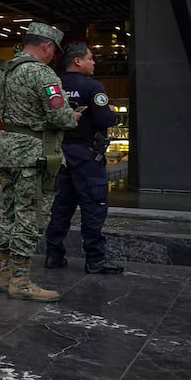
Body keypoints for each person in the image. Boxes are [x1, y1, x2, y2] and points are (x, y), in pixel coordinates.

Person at [0, 22, 80, 302]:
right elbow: (60, 116)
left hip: (7, 148)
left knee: (9, 212)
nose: (53, 56)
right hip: (33, 153)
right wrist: (72, 116)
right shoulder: (42, 73)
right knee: (30, 216)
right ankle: (20, 280)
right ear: (47, 46)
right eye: (53, 51)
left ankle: (3, 274)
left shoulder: (5, 71)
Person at [44, 42, 123, 274]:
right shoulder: (93, 86)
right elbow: (104, 119)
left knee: (61, 206)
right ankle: (95, 259)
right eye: (90, 58)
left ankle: (53, 254)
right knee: (94, 205)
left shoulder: (54, 86)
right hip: (87, 156)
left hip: (59, 154)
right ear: (78, 61)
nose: (93, 62)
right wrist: (113, 115)